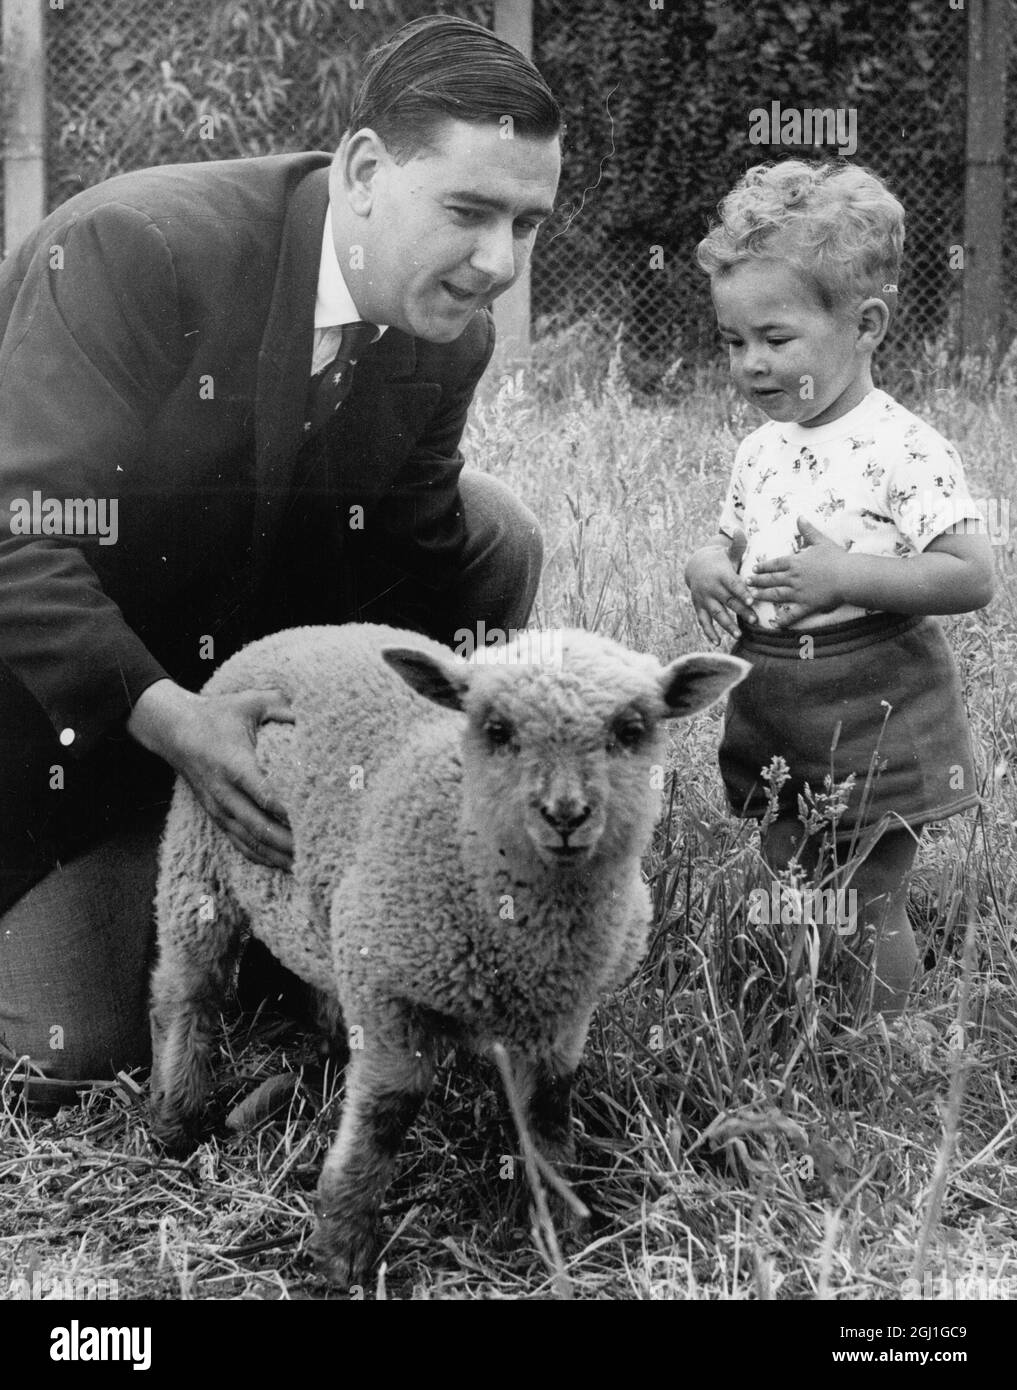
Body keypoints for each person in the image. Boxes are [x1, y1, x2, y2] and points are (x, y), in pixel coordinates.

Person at [0, 15, 562, 1096]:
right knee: (79, 1046)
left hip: (225, 633)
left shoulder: (446, 328)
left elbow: (409, 566)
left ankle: (297, 888)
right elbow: (16, 539)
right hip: (48, 694)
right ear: (361, 170)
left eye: (528, 223)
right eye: (468, 210)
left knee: (495, 531)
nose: (498, 262)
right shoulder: (138, 251)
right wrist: (176, 722)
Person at [684, 160, 995, 1015]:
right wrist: (706, 564)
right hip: (778, 701)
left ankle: (885, 1047)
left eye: (775, 339)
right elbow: (733, 538)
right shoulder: (764, 446)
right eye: (732, 341)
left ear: (864, 324)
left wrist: (846, 574)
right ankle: (810, 1009)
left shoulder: (904, 447)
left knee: (866, 893)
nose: (750, 365)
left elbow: (972, 574)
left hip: (874, 702)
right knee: (793, 874)